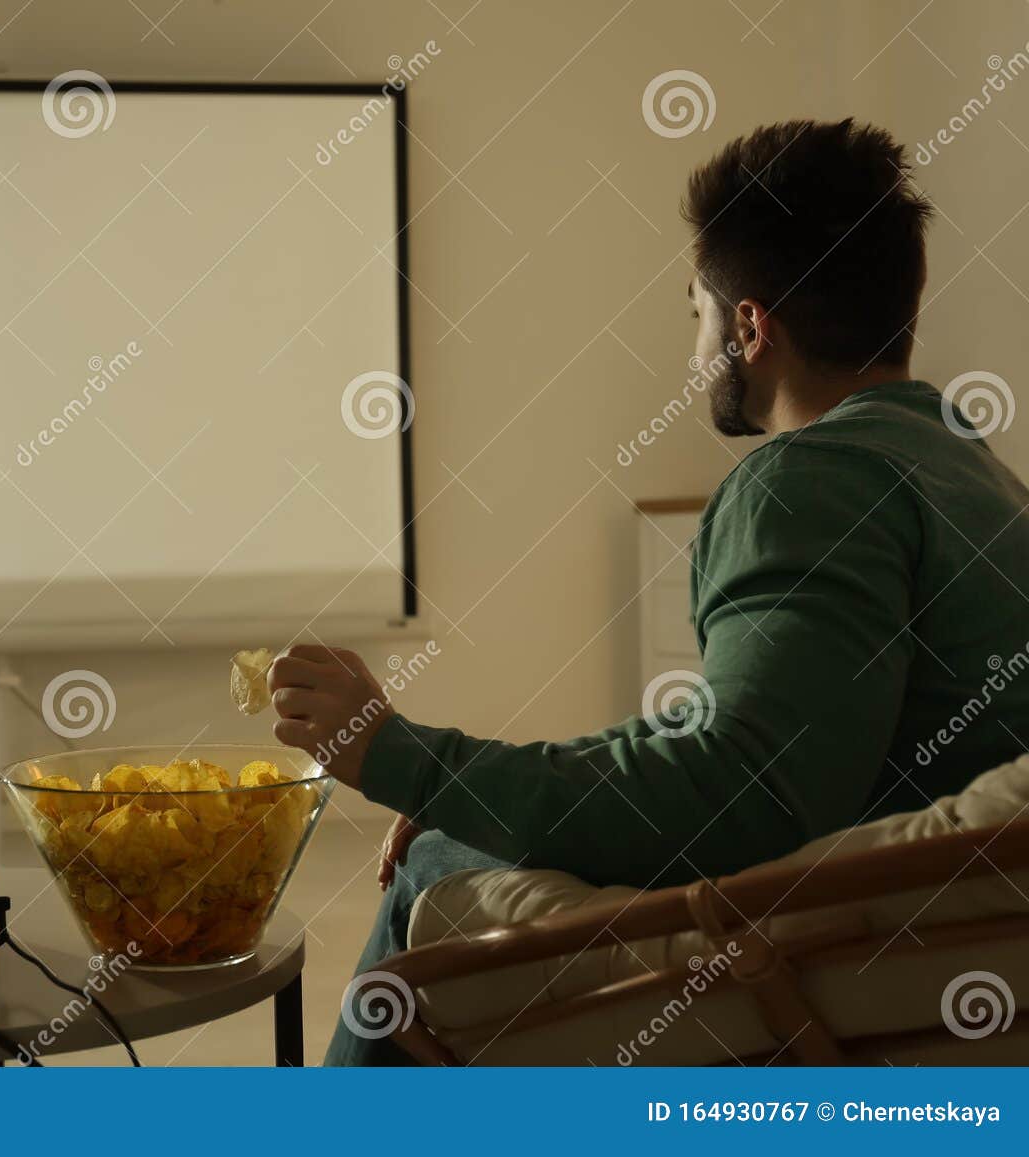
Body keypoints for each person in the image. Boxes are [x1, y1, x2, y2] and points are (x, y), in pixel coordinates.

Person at [268, 119, 1029, 1066]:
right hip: (945, 951)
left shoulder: (810, 480)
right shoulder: (973, 469)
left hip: (832, 966)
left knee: (431, 868)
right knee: (469, 834)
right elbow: (745, 732)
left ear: (749, 328)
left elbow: (741, 796)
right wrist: (469, 786)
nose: (694, 349)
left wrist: (400, 757)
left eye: (695, 313)